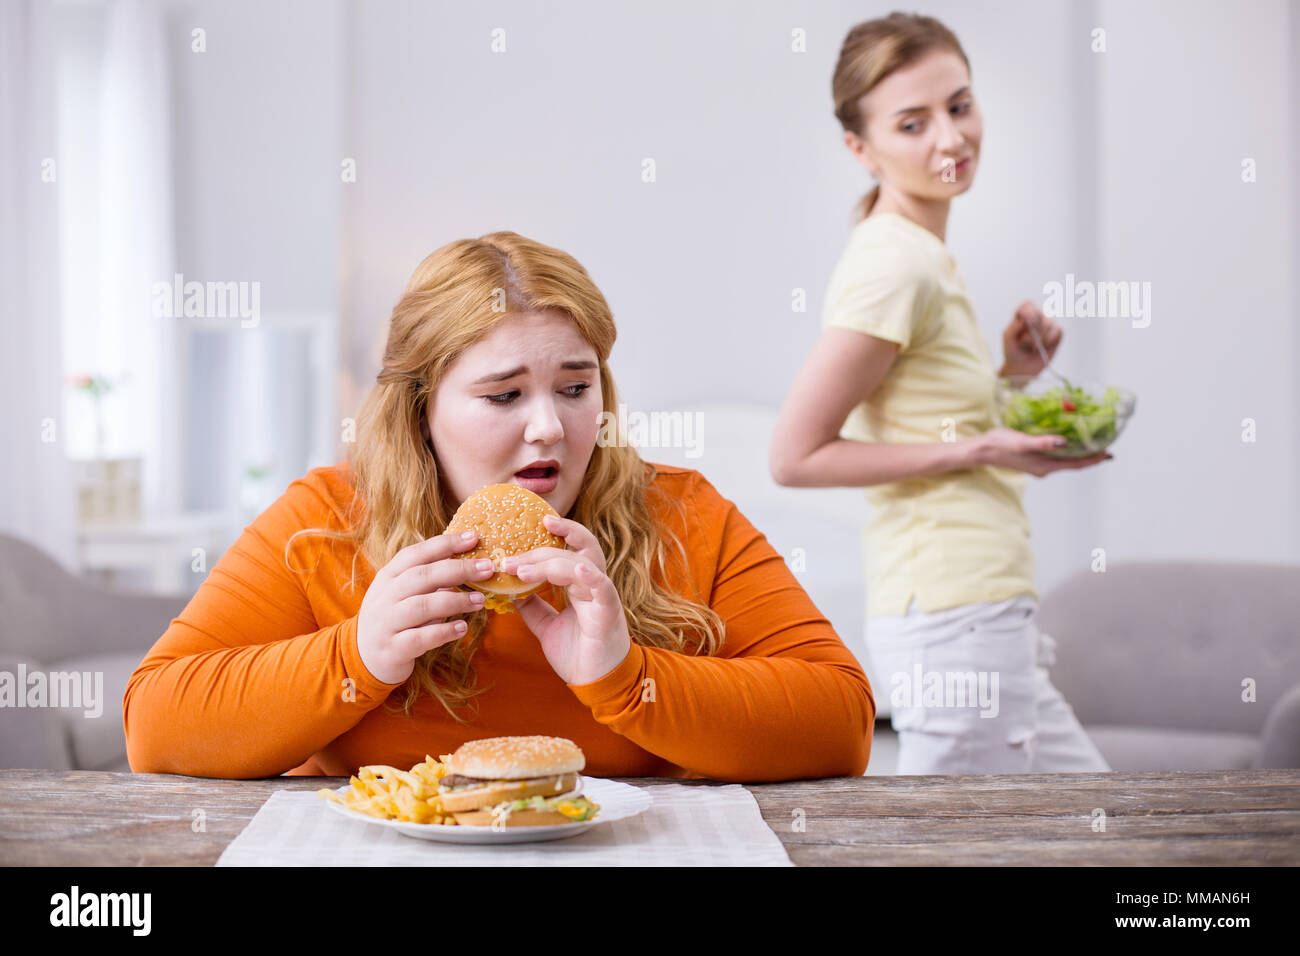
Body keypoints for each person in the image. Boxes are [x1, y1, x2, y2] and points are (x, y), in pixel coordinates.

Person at [124, 231, 875, 782]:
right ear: (420, 410)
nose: (550, 425)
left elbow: (841, 723)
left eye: (577, 389)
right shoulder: (327, 518)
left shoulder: (681, 513)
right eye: (503, 395)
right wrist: (358, 655)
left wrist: (627, 677)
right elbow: (155, 726)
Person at [769, 13, 1110, 774]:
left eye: (959, 106)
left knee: (1099, 819)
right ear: (861, 148)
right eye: (912, 123)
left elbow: (926, 421)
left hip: (982, 603)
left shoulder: (921, 253)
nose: (950, 140)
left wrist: (1010, 379)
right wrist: (986, 446)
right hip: (955, 610)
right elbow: (794, 456)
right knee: (957, 843)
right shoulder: (897, 263)